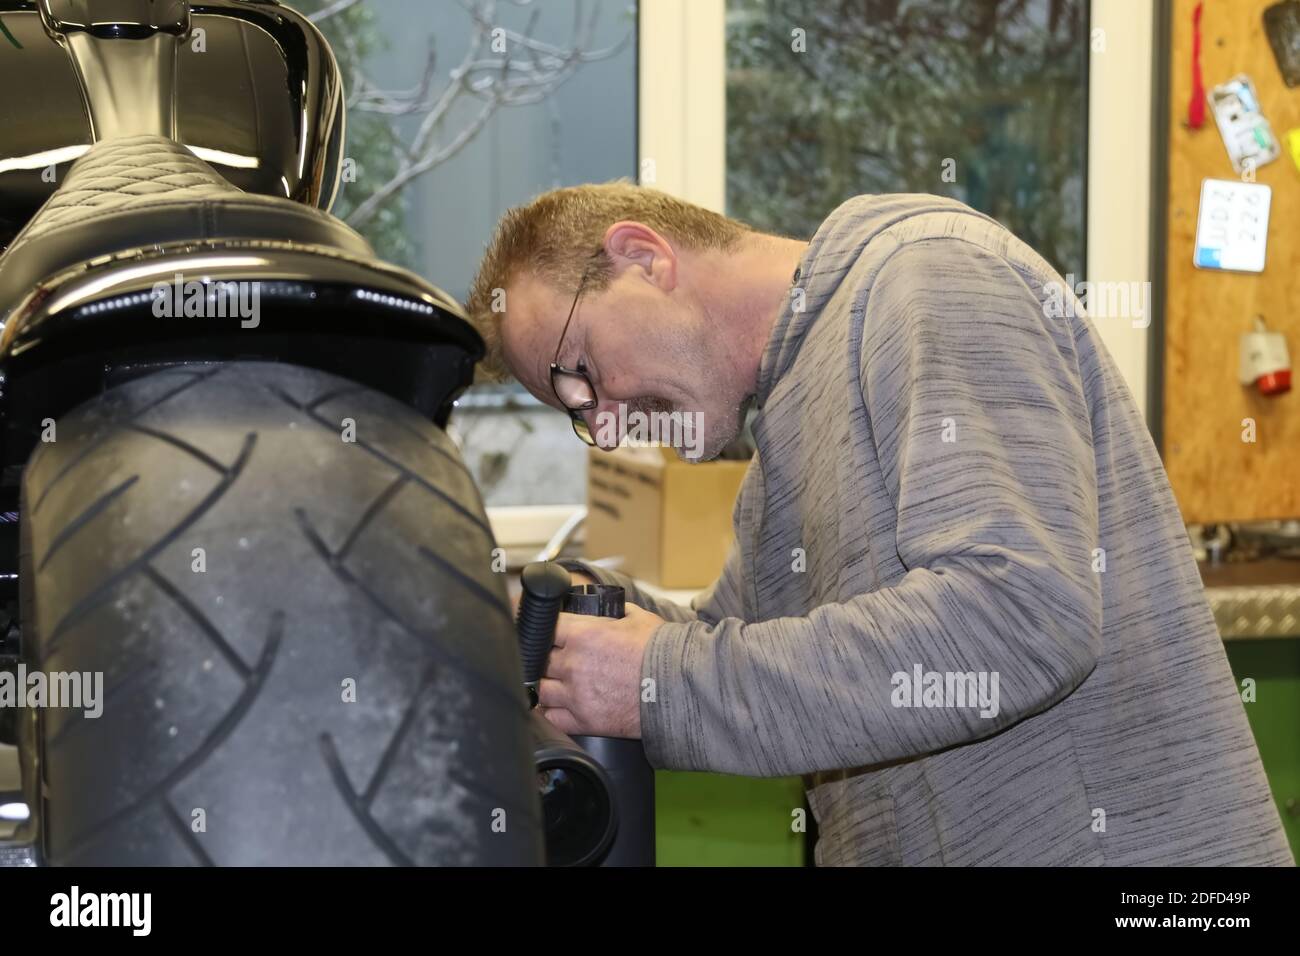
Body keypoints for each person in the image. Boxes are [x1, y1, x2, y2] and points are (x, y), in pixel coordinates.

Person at [467, 182, 1293, 866]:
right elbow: (743, 646)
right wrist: (594, 614)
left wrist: (657, 680)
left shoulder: (930, 278)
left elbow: (1019, 618)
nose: (606, 428)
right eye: (577, 416)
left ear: (643, 258)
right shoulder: (789, 419)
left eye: (582, 378)